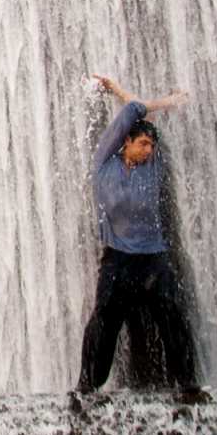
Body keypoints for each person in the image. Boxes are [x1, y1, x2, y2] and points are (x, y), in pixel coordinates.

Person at [77, 74, 202, 398]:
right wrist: (117, 89)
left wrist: (169, 104)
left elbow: (141, 113)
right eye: (143, 144)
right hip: (117, 258)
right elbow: (134, 109)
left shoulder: (153, 166)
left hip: (152, 257)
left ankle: (187, 385)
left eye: (152, 145)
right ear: (127, 142)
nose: (149, 150)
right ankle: (87, 386)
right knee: (104, 322)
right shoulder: (105, 163)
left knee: (172, 316)